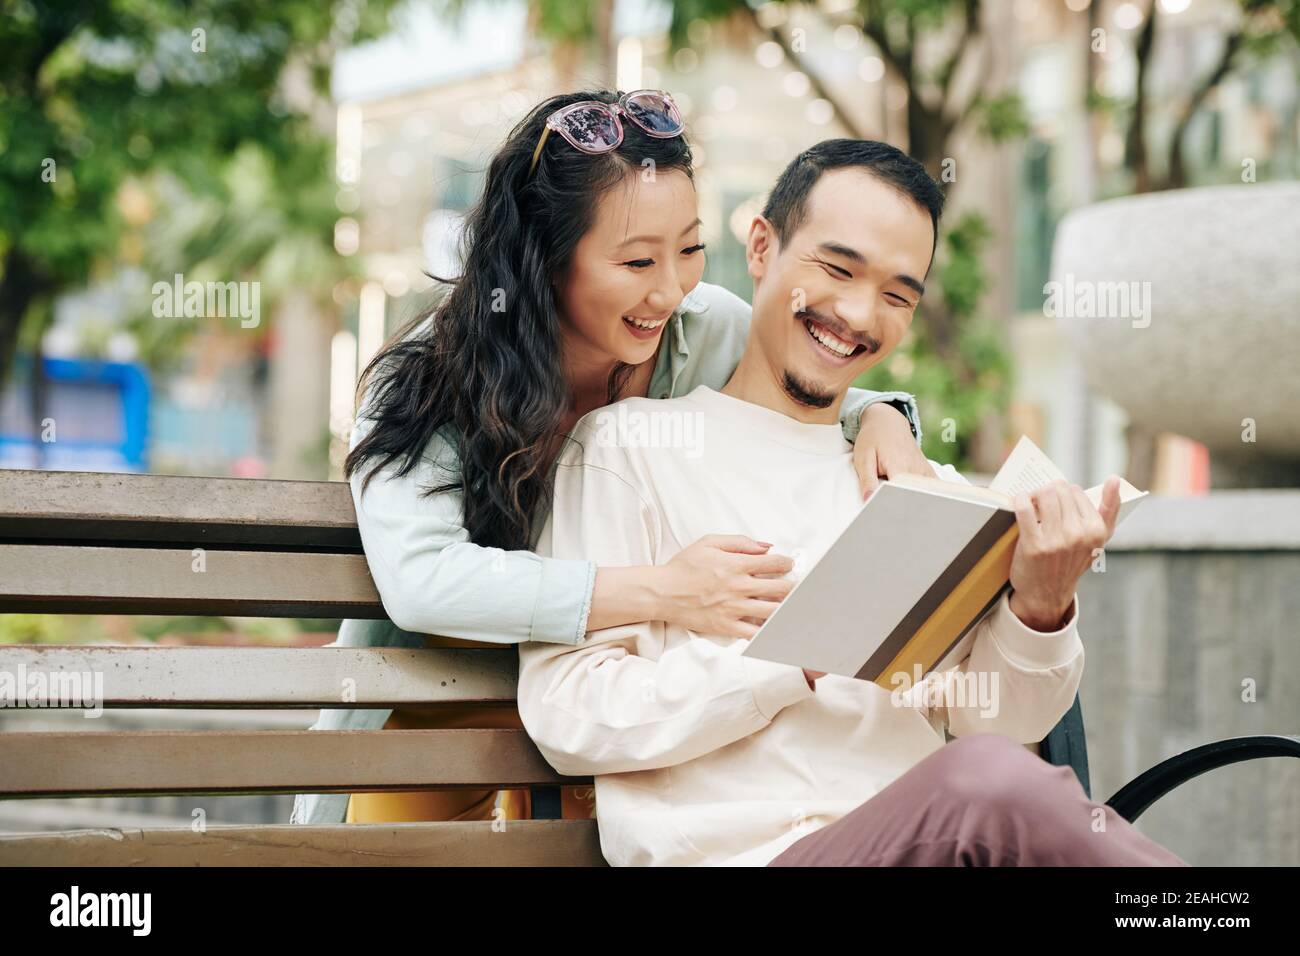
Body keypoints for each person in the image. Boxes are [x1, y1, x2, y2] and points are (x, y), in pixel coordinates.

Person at [516, 138, 1191, 866]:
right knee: (985, 785)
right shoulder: (627, 450)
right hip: (751, 856)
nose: (859, 314)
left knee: (991, 778)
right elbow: (569, 713)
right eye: (836, 269)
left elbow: (1000, 724)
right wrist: (792, 659)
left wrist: (1041, 606)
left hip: (930, 845)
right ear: (763, 248)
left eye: (898, 294)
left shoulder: (922, 487)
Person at [290, 91, 933, 827]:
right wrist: (662, 591)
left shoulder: (700, 331)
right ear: (547, 258)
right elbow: (423, 581)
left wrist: (880, 415)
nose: (669, 290)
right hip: (442, 701)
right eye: (635, 261)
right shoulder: (432, 375)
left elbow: (802, 374)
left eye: (689, 250)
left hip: (611, 731)